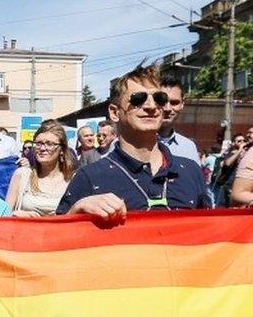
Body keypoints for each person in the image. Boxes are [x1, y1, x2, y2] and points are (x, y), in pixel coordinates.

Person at [57, 64, 218, 218]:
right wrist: (76, 210)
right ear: (114, 113)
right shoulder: (90, 177)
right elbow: (57, 237)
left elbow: (212, 233)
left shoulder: (190, 171)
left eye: (159, 98)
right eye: (138, 99)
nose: (151, 106)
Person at [6, 120, 75, 217]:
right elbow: (4, 216)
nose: (42, 148)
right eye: (38, 143)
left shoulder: (73, 180)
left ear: (62, 150)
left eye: (49, 144)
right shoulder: (22, 175)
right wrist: (15, 214)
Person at [157, 78, 200, 164]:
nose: (167, 108)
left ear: (182, 104)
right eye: (162, 102)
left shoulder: (188, 147)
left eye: (174, 102)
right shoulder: (135, 144)